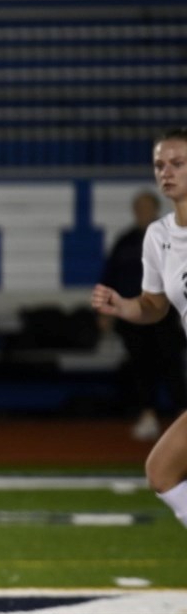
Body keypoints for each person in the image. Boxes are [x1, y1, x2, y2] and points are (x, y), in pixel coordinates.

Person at [92, 128, 187, 534]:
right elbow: (153, 306)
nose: (166, 172)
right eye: (159, 165)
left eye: (178, 163)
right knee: (161, 473)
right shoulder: (160, 236)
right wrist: (123, 306)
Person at [101, 188, 186, 441]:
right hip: (134, 315)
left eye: (146, 208)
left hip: (165, 314)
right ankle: (147, 415)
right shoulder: (125, 241)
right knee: (140, 366)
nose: (142, 213)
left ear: (155, 210)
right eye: (138, 208)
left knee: (171, 364)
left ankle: (182, 416)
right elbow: (111, 275)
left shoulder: (172, 237)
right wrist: (107, 310)